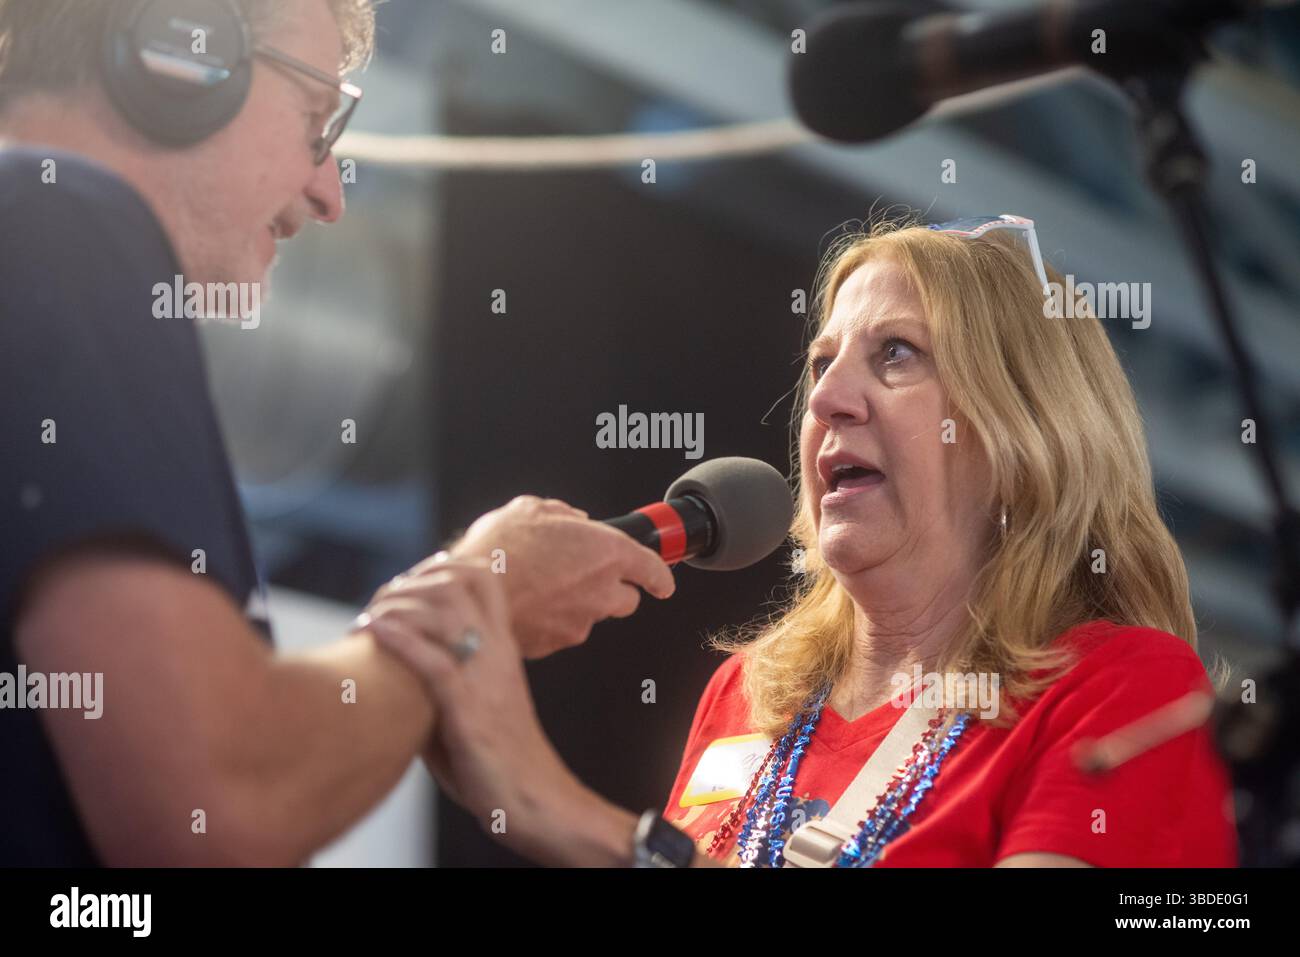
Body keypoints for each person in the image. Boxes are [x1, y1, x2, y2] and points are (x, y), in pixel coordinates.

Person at [0, 0, 674, 866]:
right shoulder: (66, 223)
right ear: (177, 50)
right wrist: (481, 602)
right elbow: (223, 804)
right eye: (316, 120)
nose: (328, 194)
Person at [377, 216, 1239, 868]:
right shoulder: (749, 695)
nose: (828, 398)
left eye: (896, 354)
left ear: (1027, 428)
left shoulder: (1127, 692)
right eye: (822, 361)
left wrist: (560, 812)